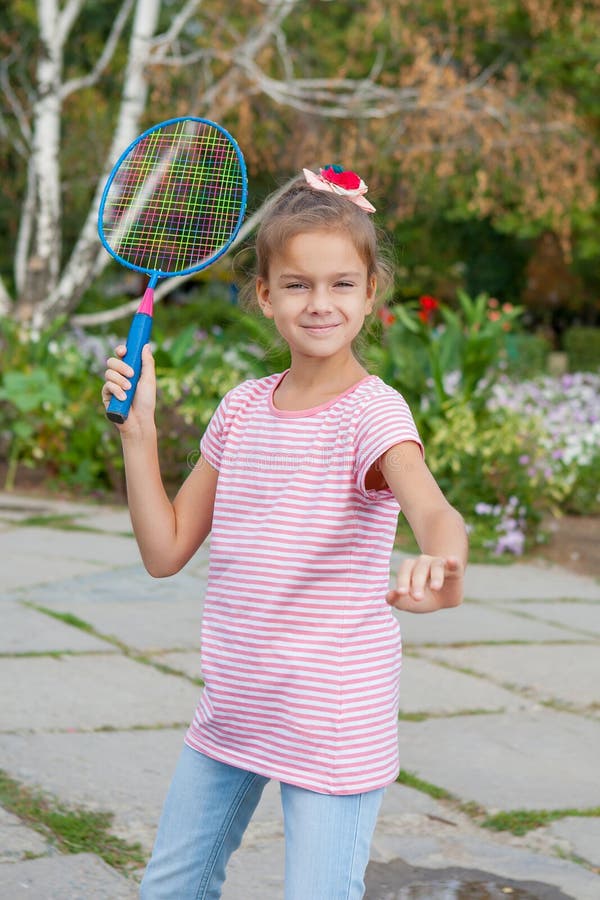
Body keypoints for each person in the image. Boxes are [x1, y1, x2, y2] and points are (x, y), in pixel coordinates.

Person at [102, 165, 468, 900]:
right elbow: (165, 551)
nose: (319, 302)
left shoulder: (374, 414)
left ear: (371, 295)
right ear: (265, 296)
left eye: (341, 284)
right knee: (169, 889)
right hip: (237, 702)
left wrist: (443, 558)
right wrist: (138, 437)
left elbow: (431, 507)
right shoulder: (240, 410)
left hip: (331, 714)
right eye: (297, 284)